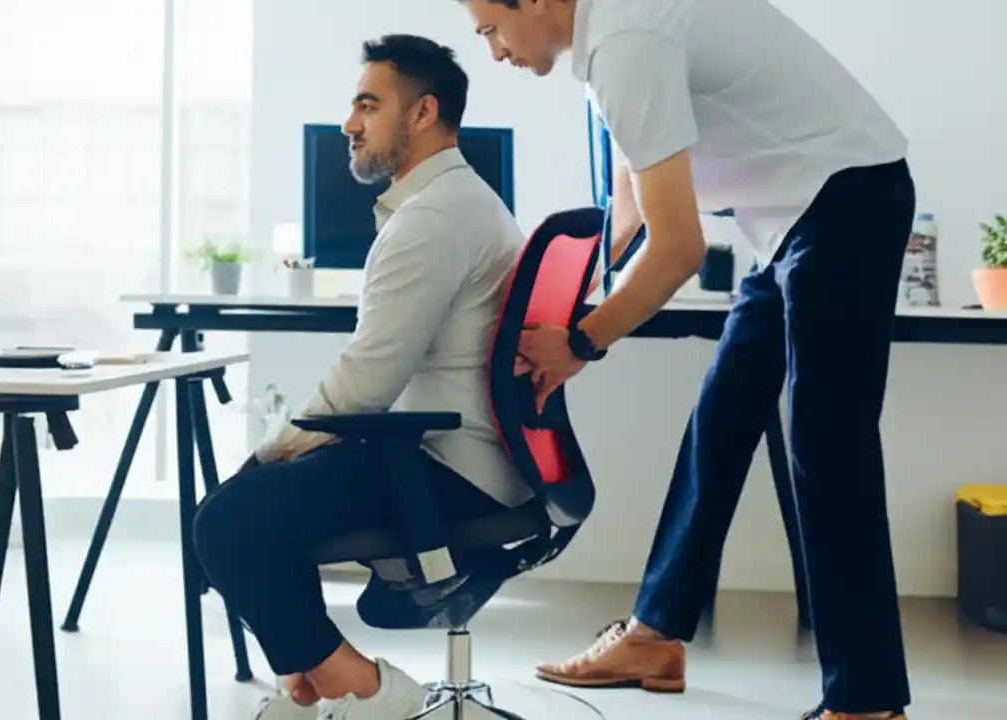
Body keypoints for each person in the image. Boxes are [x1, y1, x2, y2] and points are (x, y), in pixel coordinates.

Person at [453, 1, 914, 719]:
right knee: (722, 422)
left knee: (829, 444)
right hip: (794, 217)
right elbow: (630, 211)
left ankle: (867, 702)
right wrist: (553, 299)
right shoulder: (606, 48)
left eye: (489, 29)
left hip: (844, 199)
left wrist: (581, 343)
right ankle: (656, 633)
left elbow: (679, 250)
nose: (494, 51)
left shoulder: (626, 42)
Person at [193, 34, 534, 720]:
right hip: (469, 457)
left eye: (367, 106)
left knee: (229, 519)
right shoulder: (459, 202)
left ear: (422, 113)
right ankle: (312, 690)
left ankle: (374, 695)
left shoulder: (432, 219)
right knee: (258, 509)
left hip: (448, 470)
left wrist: (265, 453)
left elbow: (366, 381)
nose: (350, 124)